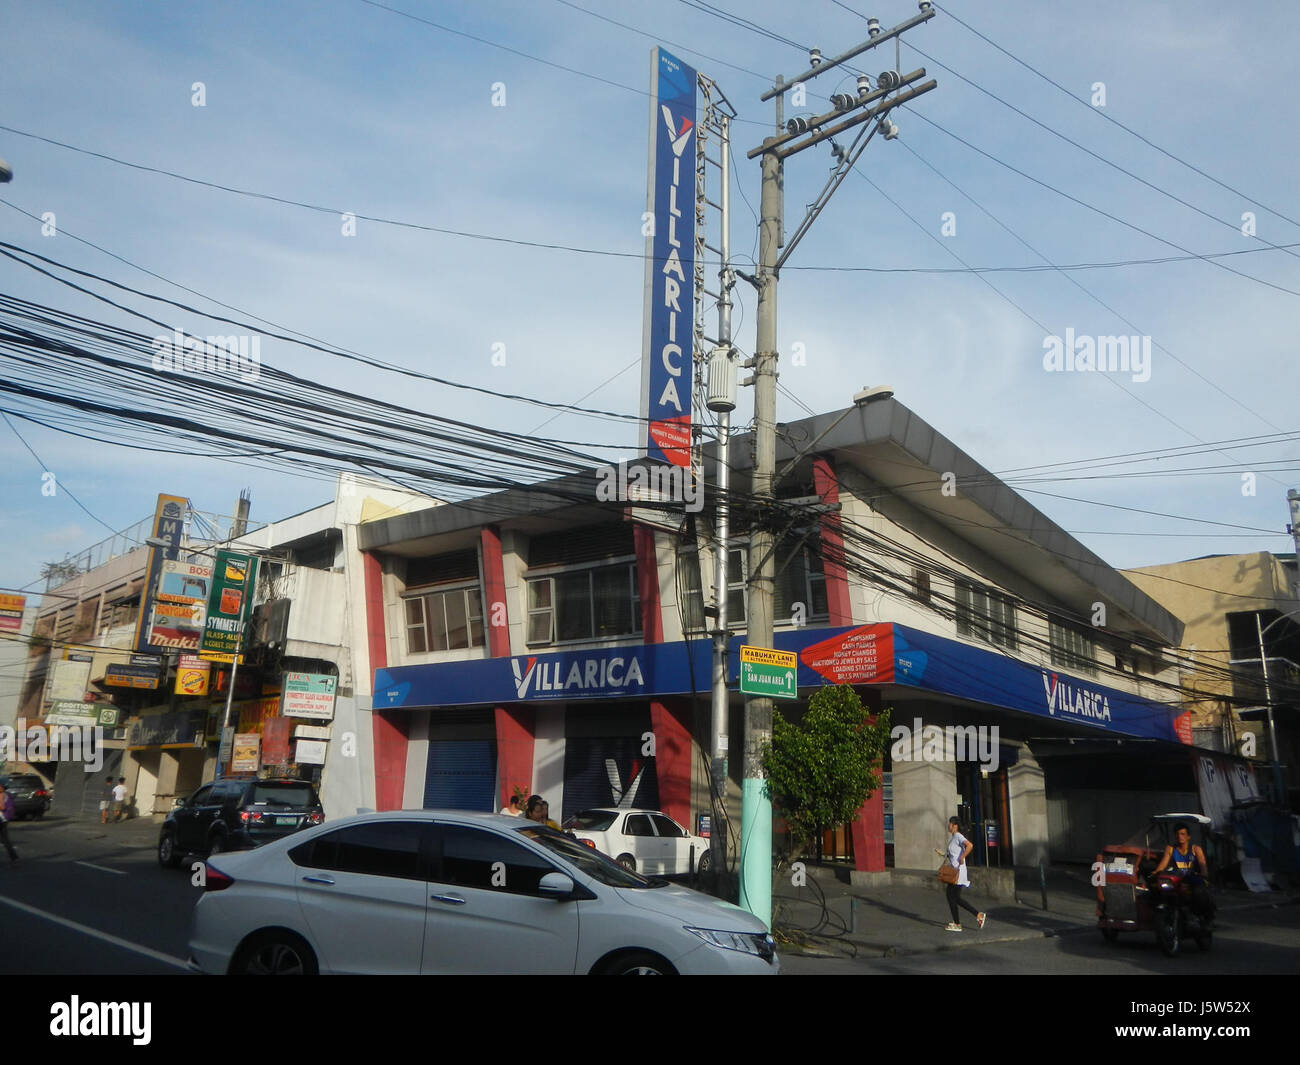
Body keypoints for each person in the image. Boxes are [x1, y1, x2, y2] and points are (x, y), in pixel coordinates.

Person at [1151, 822, 1216, 922]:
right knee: (1157, 890)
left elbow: (1203, 865)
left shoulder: (1196, 849)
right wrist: (1155, 873)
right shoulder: (1170, 849)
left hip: (1192, 880)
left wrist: (1204, 875)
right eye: (1177, 834)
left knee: (1198, 893)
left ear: (1188, 836)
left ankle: (1200, 917)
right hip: (1176, 880)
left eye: (1183, 834)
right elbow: (1162, 865)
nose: (1180, 836)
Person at [937, 815, 985, 932]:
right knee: (955, 897)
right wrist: (943, 854)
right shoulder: (954, 838)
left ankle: (958, 923)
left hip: (958, 872)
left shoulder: (958, 836)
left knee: (951, 896)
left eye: (950, 823)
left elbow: (970, 845)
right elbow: (953, 854)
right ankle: (977, 915)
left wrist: (962, 857)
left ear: (955, 826)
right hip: (955, 872)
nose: (948, 825)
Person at [0, 784, 17, 862]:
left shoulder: (0, 795)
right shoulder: (6, 794)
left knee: (5, 839)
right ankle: (14, 857)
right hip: (5, 819)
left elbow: (2, 807)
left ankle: (13, 856)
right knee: (5, 839)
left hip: (1, 818)